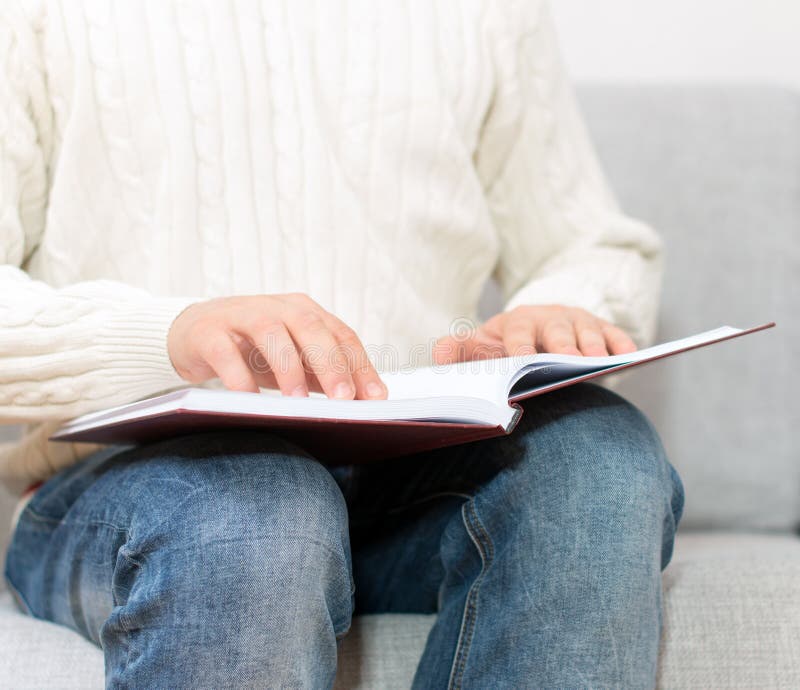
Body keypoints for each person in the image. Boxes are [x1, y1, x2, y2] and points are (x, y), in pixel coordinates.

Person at [0, 1, 683, 688]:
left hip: (416, 471)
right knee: (256, 511)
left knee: (600, 454)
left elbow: (588, 243)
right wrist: (171, 334)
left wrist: (560, 311)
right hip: (130, 487)